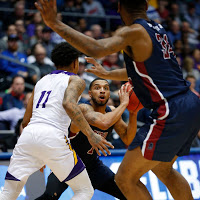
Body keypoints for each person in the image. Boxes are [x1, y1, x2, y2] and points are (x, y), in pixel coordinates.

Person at [36, 0, 200, 199]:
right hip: (190, 103)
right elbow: (140, 72)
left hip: (169, 108)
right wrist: (107, 73)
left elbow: (96, 48)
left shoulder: (133, 31)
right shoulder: (158, 29)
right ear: (146, 6)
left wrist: (55, 24)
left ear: (119, 8)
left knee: (124, 179)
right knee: (164, 169)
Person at [0, 42, 114, 200]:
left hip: (27, 136)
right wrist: (91, 134)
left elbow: (25, 121)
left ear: (54, 62)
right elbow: (68, 104)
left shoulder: (41, 81)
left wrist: (37, 153)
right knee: (84, 190)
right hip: (53, 135)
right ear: (75, 62)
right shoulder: (76, 80)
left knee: (8, 194)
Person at [36, 78, 137, 200]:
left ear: (109, 93)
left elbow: (128, 139)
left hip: (92, 166)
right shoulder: (83, 108)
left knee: (129, 194)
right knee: (49, 196)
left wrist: (133, 113)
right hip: (67, 164)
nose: (102, 91)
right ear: (90, 94)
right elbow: (103, 122)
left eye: (106, 88)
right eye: (97, 88)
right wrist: (124, 104)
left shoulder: (113, 112)